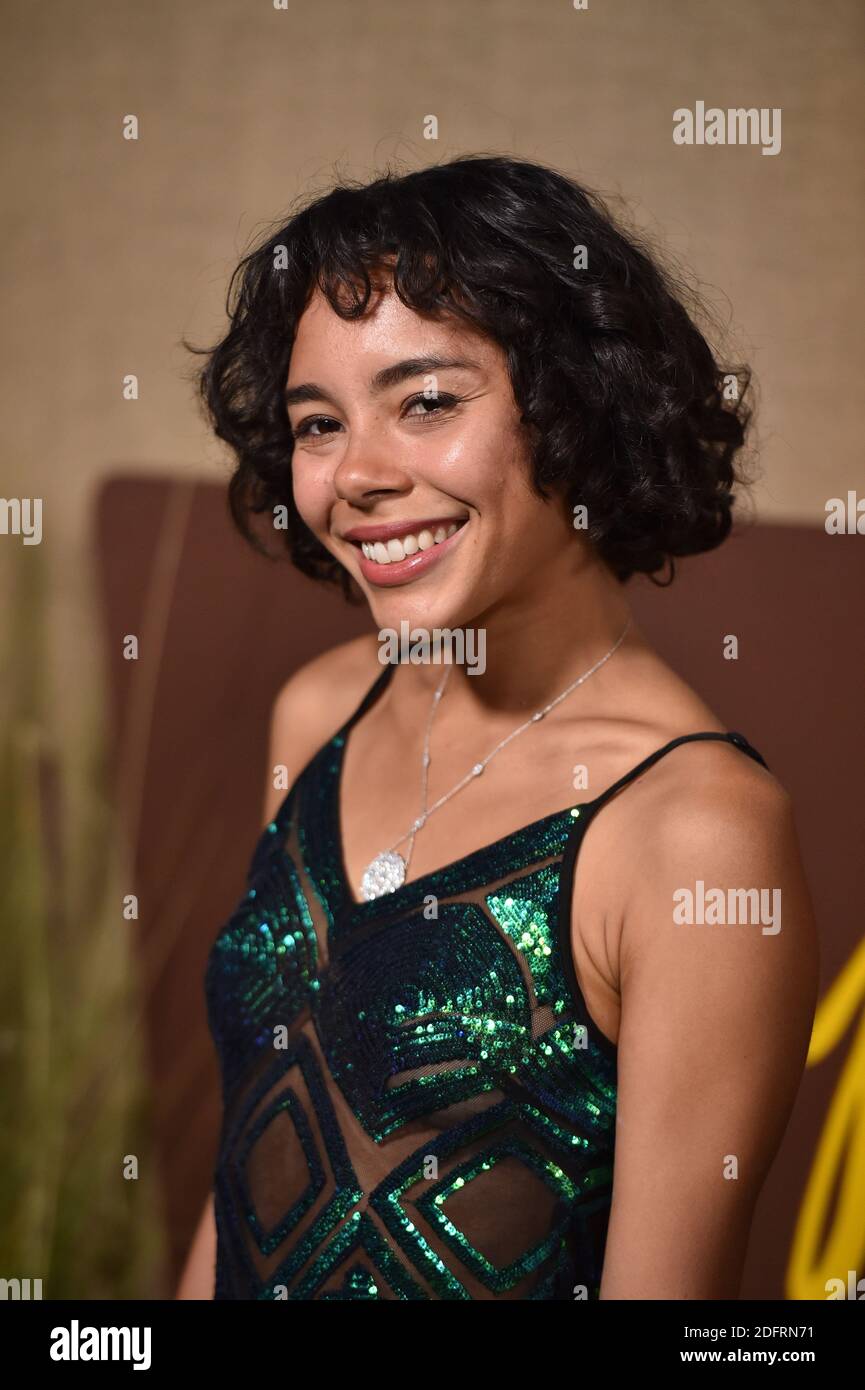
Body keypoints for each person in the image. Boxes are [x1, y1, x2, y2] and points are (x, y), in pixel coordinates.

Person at [176, 154, 818, 1300]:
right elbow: (247, 1180)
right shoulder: (321, 706)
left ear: (574, 407)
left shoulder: (695, 833)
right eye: (317, 423)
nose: (357, 476)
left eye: (425, 402)